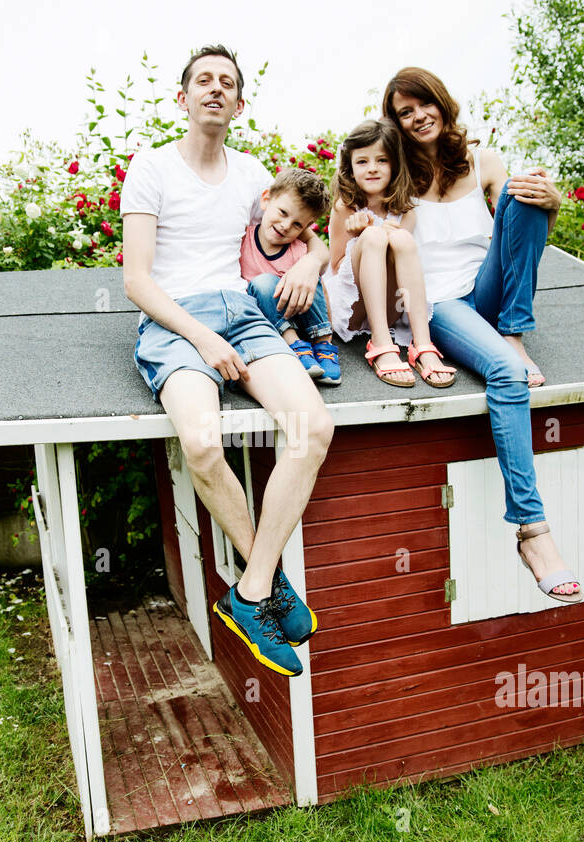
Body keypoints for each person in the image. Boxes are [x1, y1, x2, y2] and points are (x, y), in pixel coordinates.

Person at [121, 44, 336, 676]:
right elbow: (136, 280)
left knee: (313, 426)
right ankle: (264, 582)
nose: (214, 89)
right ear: (181, 98)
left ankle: (248, 590)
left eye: (227, 83)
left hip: (242, 313)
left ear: (239, 104)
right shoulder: (151, 169)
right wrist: (203, 340)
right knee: (202, 443)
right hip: (172, 318)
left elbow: (301, 226)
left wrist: (316, 260)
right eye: (203, 80)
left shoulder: (251, 174)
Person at [383, 66, 581, 603]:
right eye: (405, 111)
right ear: (396, 122)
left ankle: (515, 330)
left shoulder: (482, 160)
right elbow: (351, 220)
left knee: (527, 194)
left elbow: (522, 238)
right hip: (441, 305)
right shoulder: (394, 174)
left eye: (424, 104)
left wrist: (553, 202)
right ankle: (533, 532)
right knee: (506, 371)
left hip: (489, 292)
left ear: (442, 104)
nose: (418, 116)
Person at [323, 119, 455, 388]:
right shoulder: (344, 207)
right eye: (362, 162)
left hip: (389, 305)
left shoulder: (406, 211)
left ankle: (423, 344)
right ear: (349, 168)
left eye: (381, 160)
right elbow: (334, 267)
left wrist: (389, 234)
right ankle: (381, 343)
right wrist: (357, 236)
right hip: (354, 308)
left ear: (394, 165)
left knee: (402, 239)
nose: (372, 168)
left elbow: (401, 263)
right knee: (372, 235)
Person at [240, 168, 341, 386]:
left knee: (310, 278)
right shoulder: (243, 239)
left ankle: (323, 346)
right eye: (283, 213)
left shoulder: (299, 250)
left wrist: (328, 331)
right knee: (263, 283)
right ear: (266, 199)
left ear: (306, 227)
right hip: (272, 322)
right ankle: (295, 346)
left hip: (302, 313)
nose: (286, 226)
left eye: (297, 224)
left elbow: (320, 290)